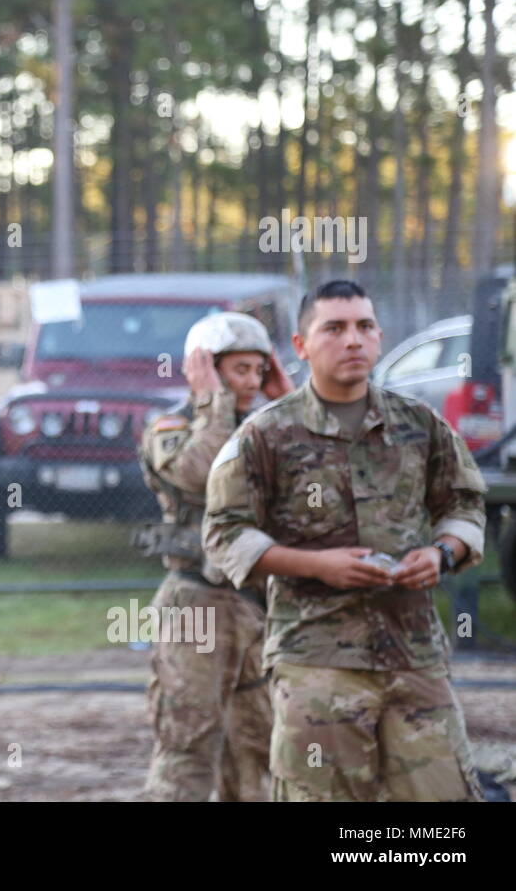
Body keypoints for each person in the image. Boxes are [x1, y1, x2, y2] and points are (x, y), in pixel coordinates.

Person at [203, 279, 486, 801]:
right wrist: (317, 565)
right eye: (334, 328)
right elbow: (224, 533)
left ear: (379, 337)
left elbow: (464, 503)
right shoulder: (265, 435)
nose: (353, 339)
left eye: (364, 326)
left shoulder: (420, 425)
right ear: (302, 345)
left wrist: (442, 552)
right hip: (317, 661)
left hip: (414, 655)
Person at [135, 312, 293, 801]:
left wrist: (291, 404)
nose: (249, 382)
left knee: (256, 747)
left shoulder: (267, 425)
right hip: (196, 607)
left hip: (254, 606)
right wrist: (212, 403)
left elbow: (322, 473)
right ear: (205, 367)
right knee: (188, 745)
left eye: (257, 371)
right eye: (238, 369)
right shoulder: (173, 426)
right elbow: (203, 473)